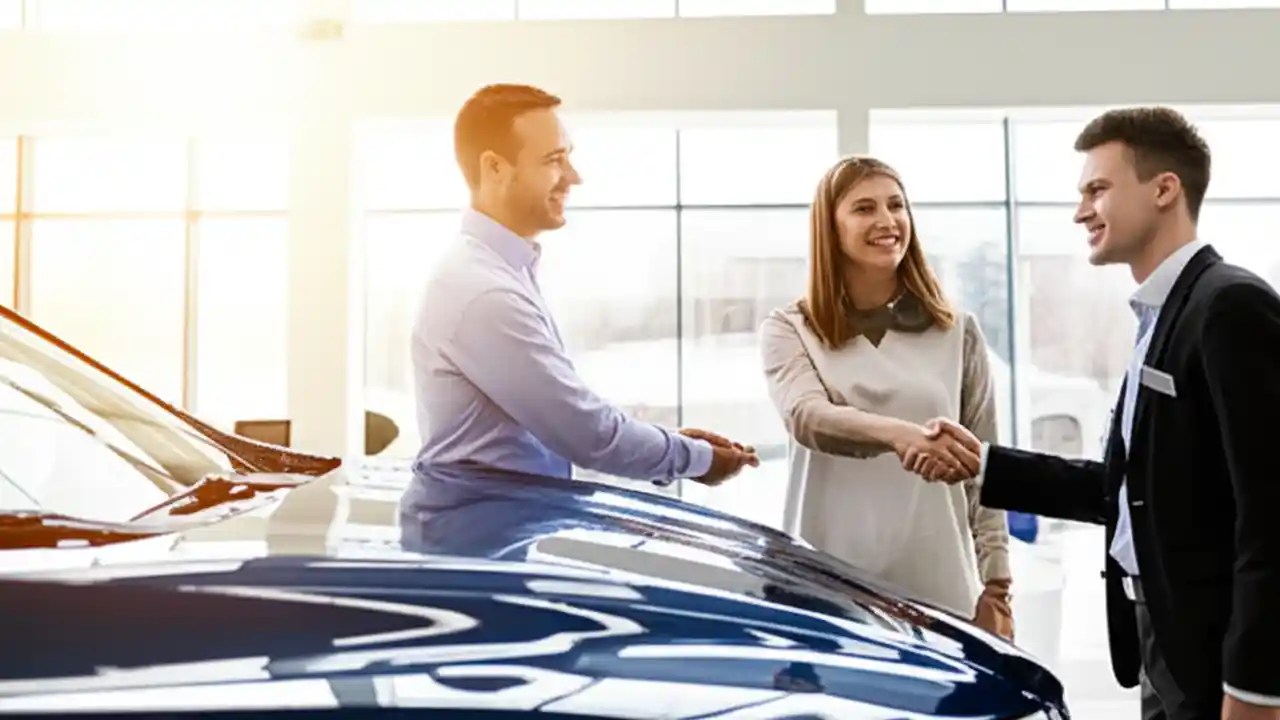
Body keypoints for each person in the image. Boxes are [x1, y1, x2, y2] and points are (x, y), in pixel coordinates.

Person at [925, 107, 1280, 720]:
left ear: (1164, 189)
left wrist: (1254, 688)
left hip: (1219, 656)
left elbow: (1272, 514)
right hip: (1161, 641)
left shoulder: (1230, 306)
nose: (1080, 211)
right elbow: (1125, 491)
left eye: (1097, 189)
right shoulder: (1160, 318)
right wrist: (981, 463)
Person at [404, 83, 757, 503]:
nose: (574, 177)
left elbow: (566, 414)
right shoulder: (482, 291)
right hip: (475, 533)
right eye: (555, 160)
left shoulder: (500, 273)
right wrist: (696, 459)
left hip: (492, 523)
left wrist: (666, 441)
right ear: (495, 168)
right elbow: (587, 434)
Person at [758, 155, 1013, 638]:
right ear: (829, 228)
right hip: (826, 582)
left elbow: (986, 467)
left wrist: (997, 586)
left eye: (896, 205)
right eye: (864, 208)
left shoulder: (957, 331)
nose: (887, 221)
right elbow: (806, 416)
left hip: (939, 587)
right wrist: (902, 436)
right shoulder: (790, 328)